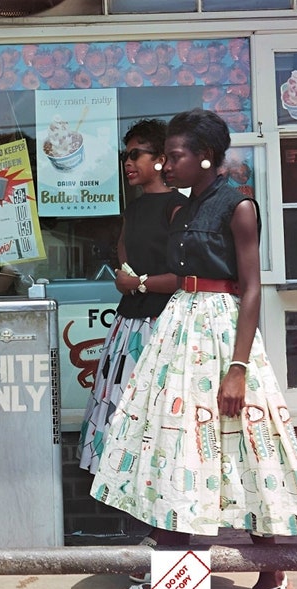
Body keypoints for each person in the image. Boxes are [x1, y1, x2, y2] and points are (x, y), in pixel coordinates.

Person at [90, 108, 297, 589]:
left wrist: (238, 367)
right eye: (166, 156)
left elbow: (252, 288)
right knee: (179, 450)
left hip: (221, 334)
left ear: (206, 158)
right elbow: (177, 276)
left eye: (176, 156)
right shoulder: (182, 209)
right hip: (179, 329)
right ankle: (180, 584)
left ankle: (273, 577)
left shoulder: (238, 207)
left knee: (249, 446)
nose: (168, 165)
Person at [79, 119, 187, 474]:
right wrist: (127, 274)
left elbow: (188, 276)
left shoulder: (178, 208)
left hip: (163, 324)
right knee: (125, 411)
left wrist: (137, 282)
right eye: (126, 155)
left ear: (160, 159)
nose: (127, 162)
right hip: (129, 325)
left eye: (136, 154)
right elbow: (123, 249)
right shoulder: (135, 208)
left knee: (159, 414)